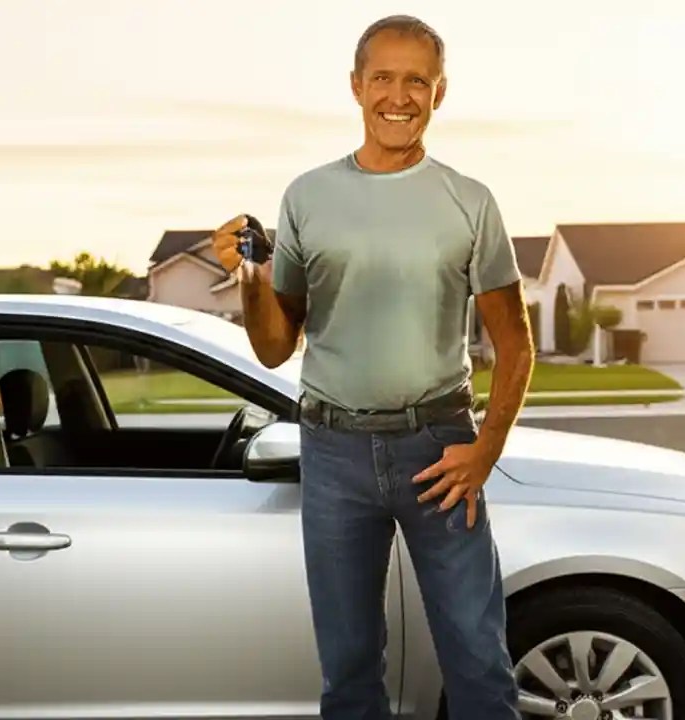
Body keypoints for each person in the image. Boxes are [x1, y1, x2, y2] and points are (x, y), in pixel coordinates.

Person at [212, 14, 534, 720]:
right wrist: (248, 278)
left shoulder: (469, 201)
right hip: (333, 452)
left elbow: (516, 345)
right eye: (382, 78)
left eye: (416, 80)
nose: (399, 95)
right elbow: (275, 345)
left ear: (439, 93)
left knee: (478, 660)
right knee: (350, 669)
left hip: (439, 448)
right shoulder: (307, 197)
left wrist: (484, 452)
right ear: (356, 87)